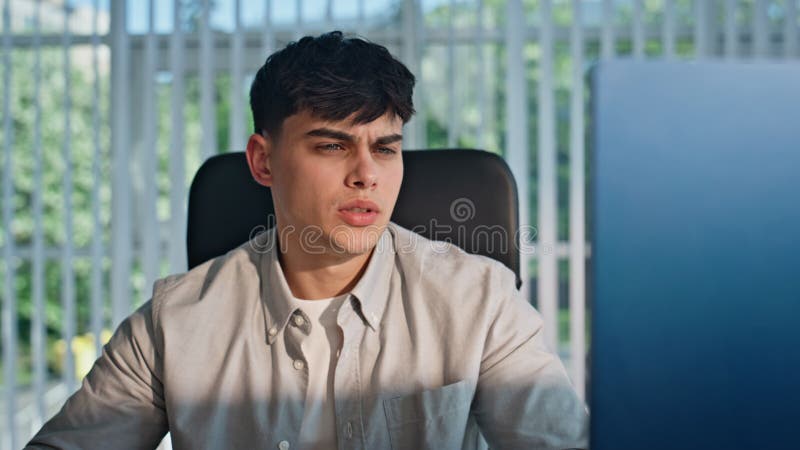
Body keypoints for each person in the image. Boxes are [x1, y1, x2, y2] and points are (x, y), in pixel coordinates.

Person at [27, 31, 588, 450]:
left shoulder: (479, 300)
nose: (367, 173)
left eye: (386, 148)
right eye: (332, 146)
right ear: (263, 160)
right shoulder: (174, 322)